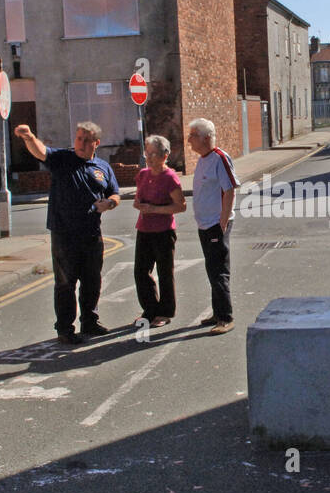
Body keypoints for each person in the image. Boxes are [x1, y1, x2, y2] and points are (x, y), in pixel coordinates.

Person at [14, 120, 119, 344]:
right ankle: (65, 329)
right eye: (78, 138)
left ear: (96, 143)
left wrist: (109, 203)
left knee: (92, 280)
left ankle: (90, 321)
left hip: (91, 232)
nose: (80, 142)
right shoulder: (63, 159)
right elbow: (41, 152)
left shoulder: (103, 167)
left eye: (86, 139)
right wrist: (29, 137)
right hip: (64, 233)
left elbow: (115, 193)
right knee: (65, 283)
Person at [186, 117, 237, 335]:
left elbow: (230, 190)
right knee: (211, 270)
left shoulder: (219, 158)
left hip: (216, 225)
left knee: (219, 272)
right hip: (204, 225)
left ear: (206, 138)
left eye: (193, 136)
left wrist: (222, 222)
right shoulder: (202, 160)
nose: (189, 140)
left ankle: (226, 318)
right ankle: (218, 312)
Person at [132, 135, 185, 328]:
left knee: (164, 273)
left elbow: (181, 206)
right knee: (140, 272)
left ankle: (165, 312)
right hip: (144, 229)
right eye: (147, 153)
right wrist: (139, 205)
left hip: (163, 231)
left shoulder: (169, 177)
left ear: (165, 155)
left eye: (154, 153)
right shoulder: (143, 174)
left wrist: (154, 209)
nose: (150, 157)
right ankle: (150, 309)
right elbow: (138, 200)